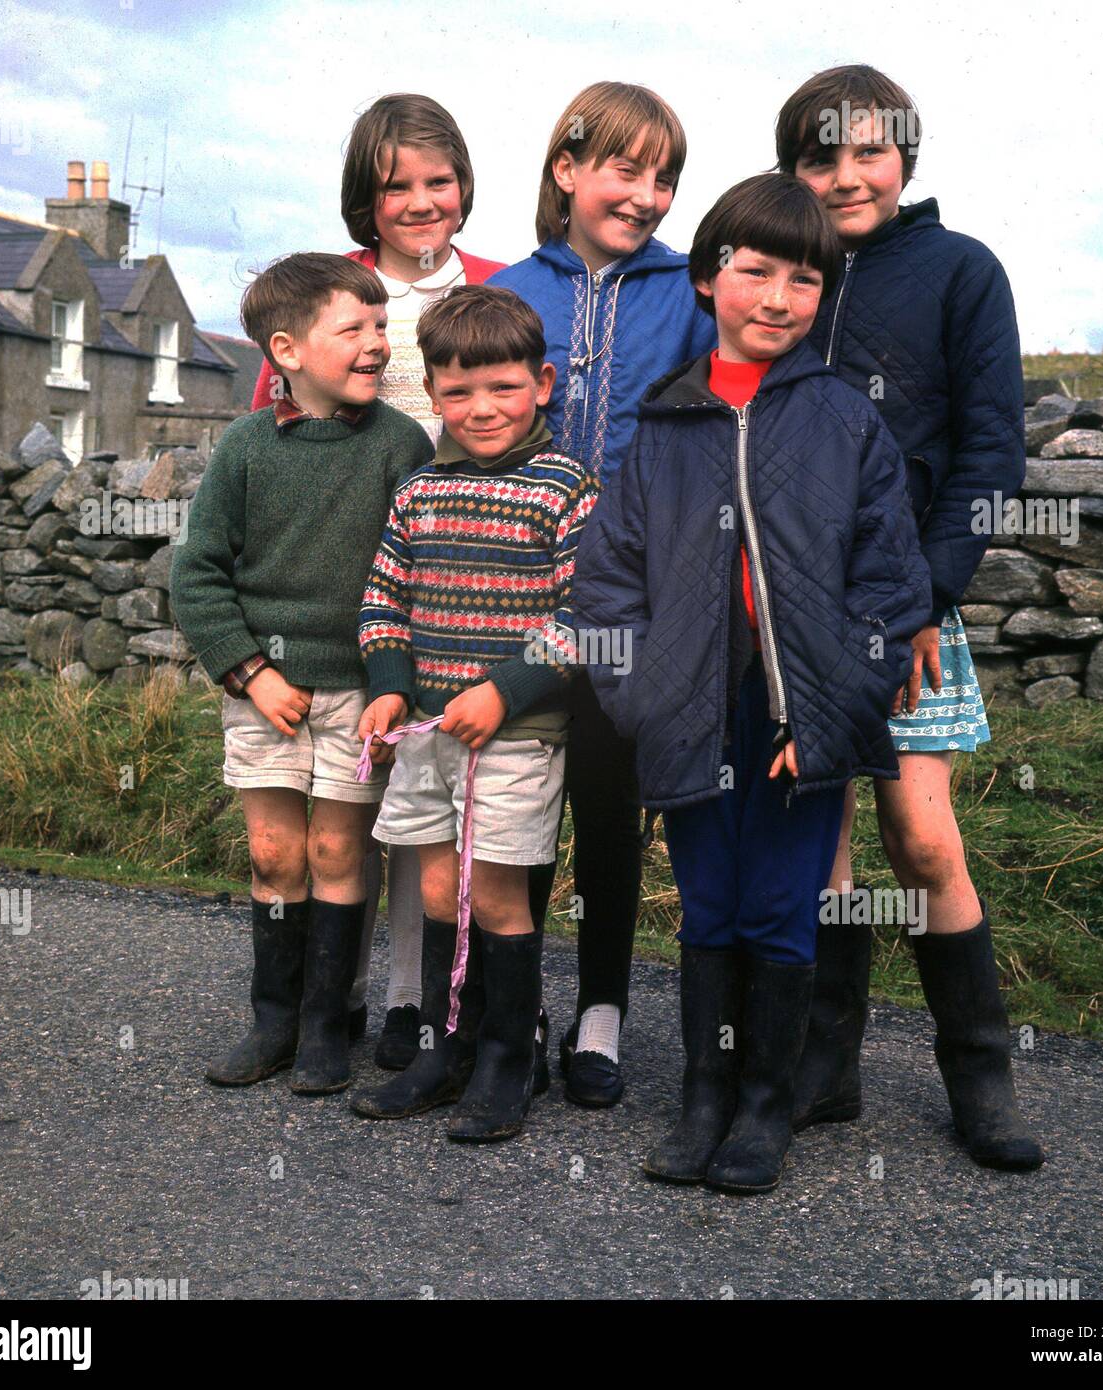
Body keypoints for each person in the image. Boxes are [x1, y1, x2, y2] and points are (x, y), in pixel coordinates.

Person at [572, 174, 932, 1193]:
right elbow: (606, 588)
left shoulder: (844, 422)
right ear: (705, 280)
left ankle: (764, 1107)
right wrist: (643, 703)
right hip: (690, 709)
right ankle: (702, 1097)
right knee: (706, 908)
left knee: (779, 910)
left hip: (797, 718)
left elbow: (890, 584)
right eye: (756, 271)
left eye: (803, 280)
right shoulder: (662, 426)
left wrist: (825, 713)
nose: (777, 298)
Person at [778, 63, 1043, 1170]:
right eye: (820, 156)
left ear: (906, 158)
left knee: (921, 838)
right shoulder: (776, 271)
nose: (846, 175)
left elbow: (990, 452)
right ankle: (824, 1068)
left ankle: (978, 1077)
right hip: (792, 613)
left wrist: (928, 593)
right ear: (792, 167)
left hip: (911, 611)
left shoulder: (960, 271)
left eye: (868, 152)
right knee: (822, 846)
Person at [250, 93, 505, 1071]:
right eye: (395, 183)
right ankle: (329, 1005)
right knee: (341, 808)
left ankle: (415, 998)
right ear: (366, 192)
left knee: (428, 805)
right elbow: (286, 433)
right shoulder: (328, 292)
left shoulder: (490, 287)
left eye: (437, 181)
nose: (418, 200)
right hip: (339, 582)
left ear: (462, 185)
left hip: (450, 574)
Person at [489, 80, 716, 1106]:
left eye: (665, 175)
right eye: (626, 168)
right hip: (519, 599)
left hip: (635, 599)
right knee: (521, 813)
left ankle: (603, 1012)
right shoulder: (507, 291)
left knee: (609, 811)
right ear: (567, 169)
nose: (648, 194)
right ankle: (513, 1006)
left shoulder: (688, 293)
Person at [171, 253, 432, 1094]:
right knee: (277, 852)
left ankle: (327, 1025)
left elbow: (415, 575)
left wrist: (395, 683)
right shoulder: (246, 448)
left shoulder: (402, 445)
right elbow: (199, 574)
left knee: (335, 847)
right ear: (286, 349)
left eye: (381, 326)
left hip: (359, 692)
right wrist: (251, 674)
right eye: (351, 329)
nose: (376, 344)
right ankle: (273, 1022)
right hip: (266, 691)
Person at [351, 285, 598, 1142]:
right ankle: (446, 1048)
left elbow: (587, 616)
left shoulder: (564, 489)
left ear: (543, 382)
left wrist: (503, 691)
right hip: (424, 731)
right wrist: (387, 681)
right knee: (431, 886)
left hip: (516, 736)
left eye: (501, 387)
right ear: (434, 395)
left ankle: (507, 1059)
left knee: (494, 893)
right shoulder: (420, 492)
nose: (480, 408)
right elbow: (382, 599)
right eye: (458, 393)